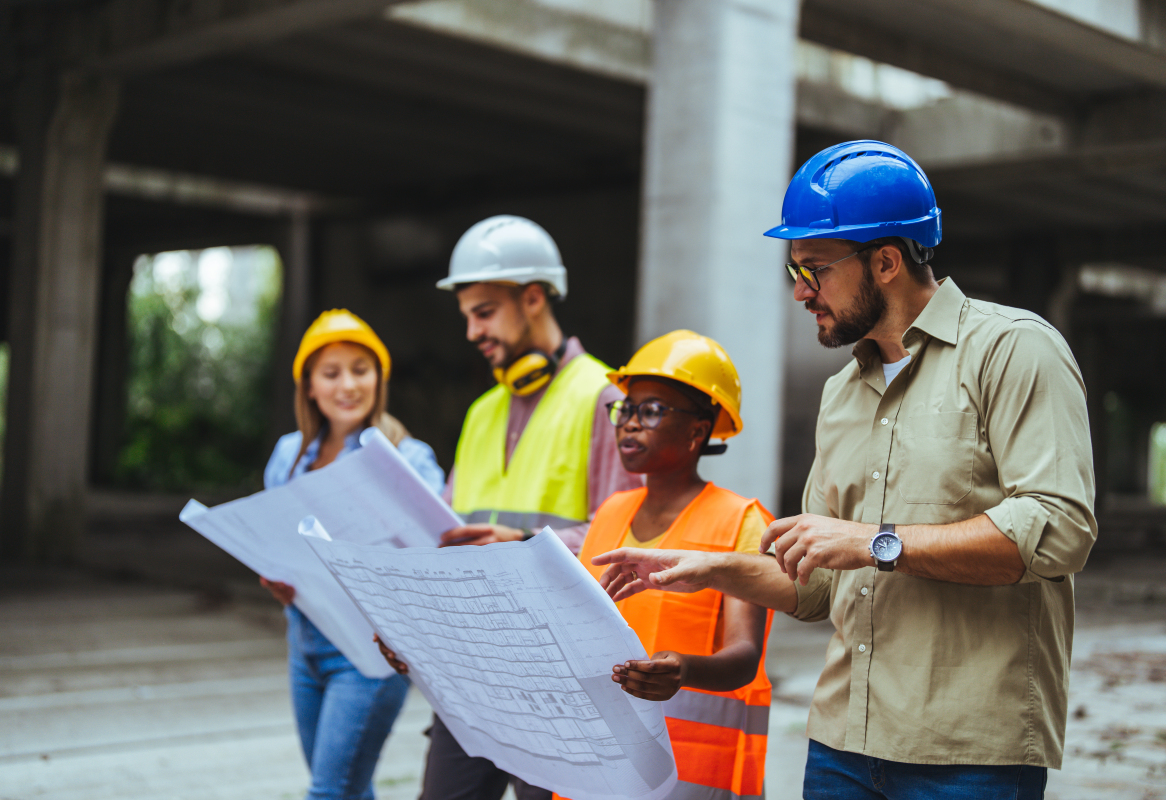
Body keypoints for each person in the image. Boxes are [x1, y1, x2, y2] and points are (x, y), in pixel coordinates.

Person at [592, 141, 1098, 800]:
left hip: (967, 753)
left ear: (886, 261)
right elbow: (818, 583)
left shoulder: (1012, 351)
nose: (802, 293)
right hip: (840, 747)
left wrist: (876, 542)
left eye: (816, 269)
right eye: (794, 271)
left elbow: (1059, 530)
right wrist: (707, 567)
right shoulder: (842, 394)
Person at [418, 215, 641, 800]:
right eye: (466, 315)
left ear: (534, 297)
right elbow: (446, 530)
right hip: (472, 671)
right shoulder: (481, 412)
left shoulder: (605, 398)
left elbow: (627, 541)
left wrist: (522, 549)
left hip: (562, 677)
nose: (471, 332)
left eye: (484, 312)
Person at [564, 330, 773, 800]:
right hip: (601, 767)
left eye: (652, 410)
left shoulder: (741, 521)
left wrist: (683, 669)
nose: (629, 423)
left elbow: (744, 658)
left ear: (699, 430)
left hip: (693, 776)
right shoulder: (611, 511)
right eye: (626, 408)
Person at [260, 309, 445, 800]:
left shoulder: (409, 457)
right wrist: (276, 578)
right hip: (305, 644)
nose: (348, 385)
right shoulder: (287, 456)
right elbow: (278, 543)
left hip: (370, 653)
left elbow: (434, 551)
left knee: (327, 792)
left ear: (379, 380)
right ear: (309, 387)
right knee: (348, 787)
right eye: (331, 372)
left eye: (360, 369)